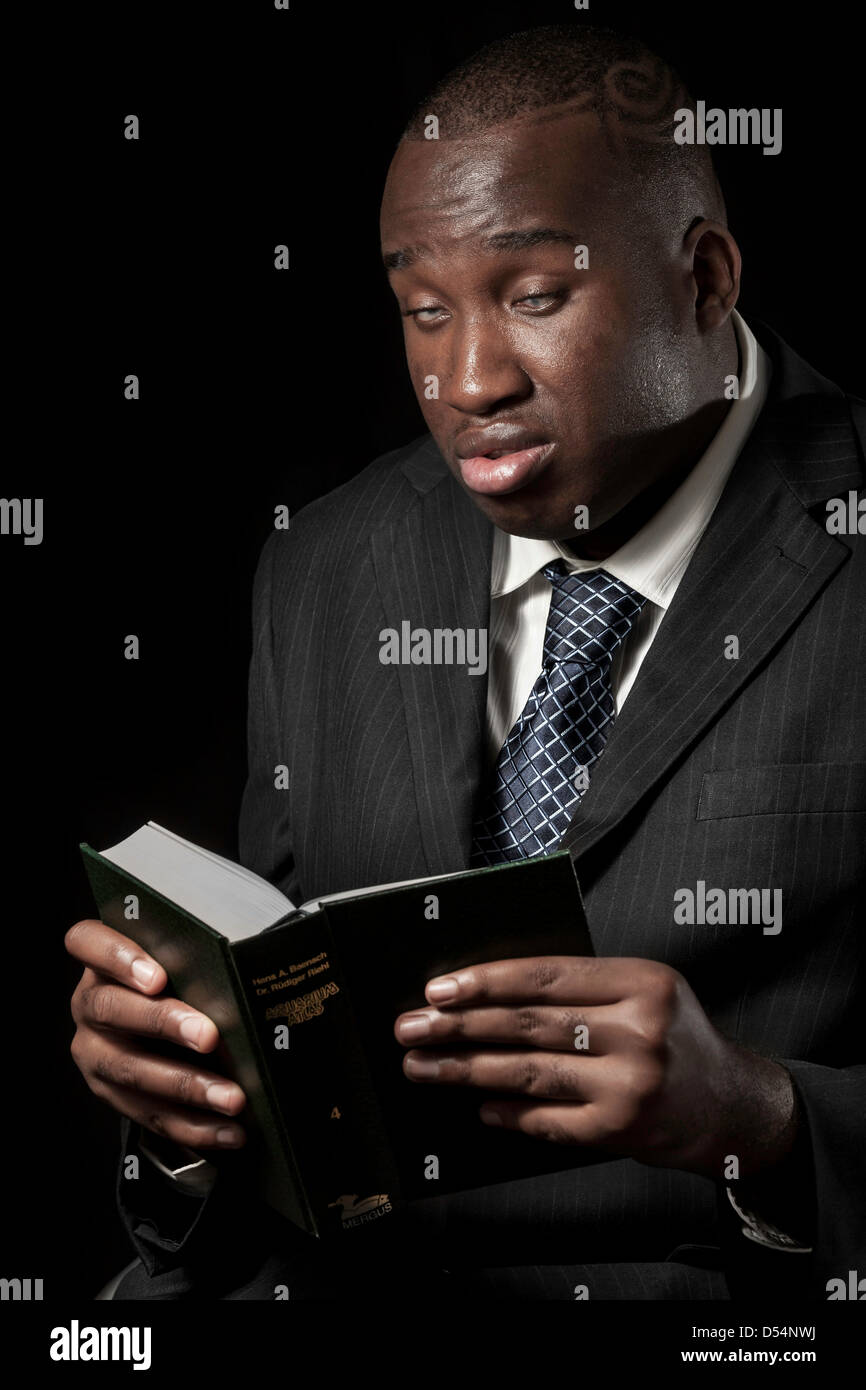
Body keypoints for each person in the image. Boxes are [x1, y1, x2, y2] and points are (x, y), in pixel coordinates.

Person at [66, 24, 865, 1300]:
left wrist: (756, 1117)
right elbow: (279, 1073)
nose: (464, 379)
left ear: (706, 279)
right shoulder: (326, 563)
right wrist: (184, 1111)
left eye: (535, 297)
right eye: (422, 312)